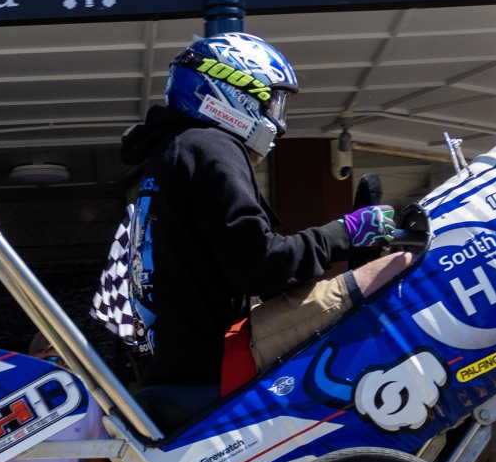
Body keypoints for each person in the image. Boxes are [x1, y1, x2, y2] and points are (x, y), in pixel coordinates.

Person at [113, 32, 409, 385]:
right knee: (399, 267)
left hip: (176, 364)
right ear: (234, 94)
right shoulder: (211, 146)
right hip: (217, 360)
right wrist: (345, 233)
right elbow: (259, 266)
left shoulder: (171, 153)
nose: (277, 122)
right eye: (273, 103)